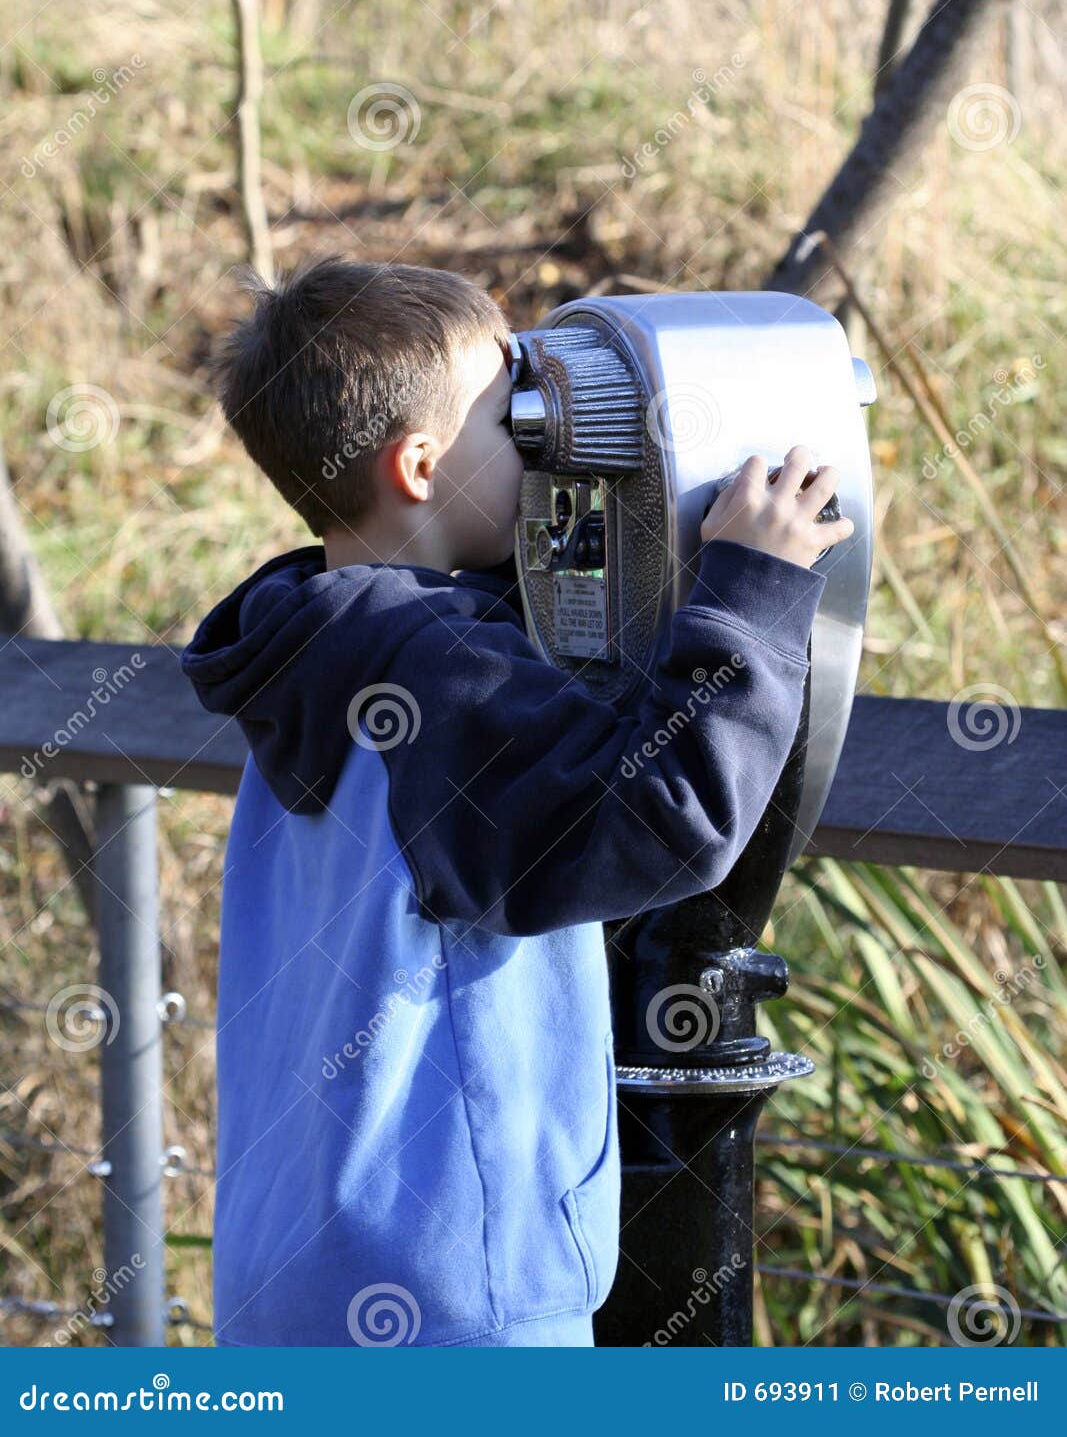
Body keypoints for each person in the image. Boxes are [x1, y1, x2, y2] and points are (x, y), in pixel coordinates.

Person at [181, 253, 853, 1348]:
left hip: (289, 1276)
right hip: (456, 1292)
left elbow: (509, 701)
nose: (547, 441)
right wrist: (751, 588)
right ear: (418, 465)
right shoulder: (437, 671)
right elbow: (666, 818)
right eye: (513, 419)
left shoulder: (317, 649)